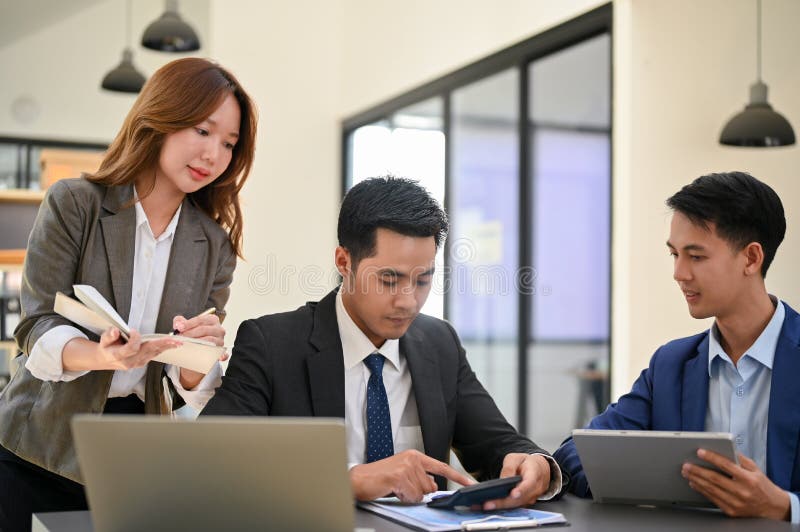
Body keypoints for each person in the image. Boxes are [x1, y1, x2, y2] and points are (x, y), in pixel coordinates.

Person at [0, 57, 257, 531]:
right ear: (160, 118)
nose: (213, 154)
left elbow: (190, 384)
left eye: (229, 143)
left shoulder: (213, 246)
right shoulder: (76, 203)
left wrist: (198, 359)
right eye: (202, 130)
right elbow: (36, 326)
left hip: (135, 454)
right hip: (39, 442)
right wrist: (106, 357)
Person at [202, 176, 562, 506]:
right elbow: (213, 459)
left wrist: (534, 463)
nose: (408, 300)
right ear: (344, 262)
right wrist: (348, 479)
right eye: (390, 280)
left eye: (423, 280)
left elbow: (497, 443)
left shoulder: (439, 343)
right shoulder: (272, 344)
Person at [554, 171, 799, 522]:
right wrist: (642, 484)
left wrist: (783, 506)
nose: (679, 273)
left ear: (751, 258)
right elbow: (578, 452)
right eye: (674, 254)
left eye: (696, 256)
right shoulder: (671, 364)